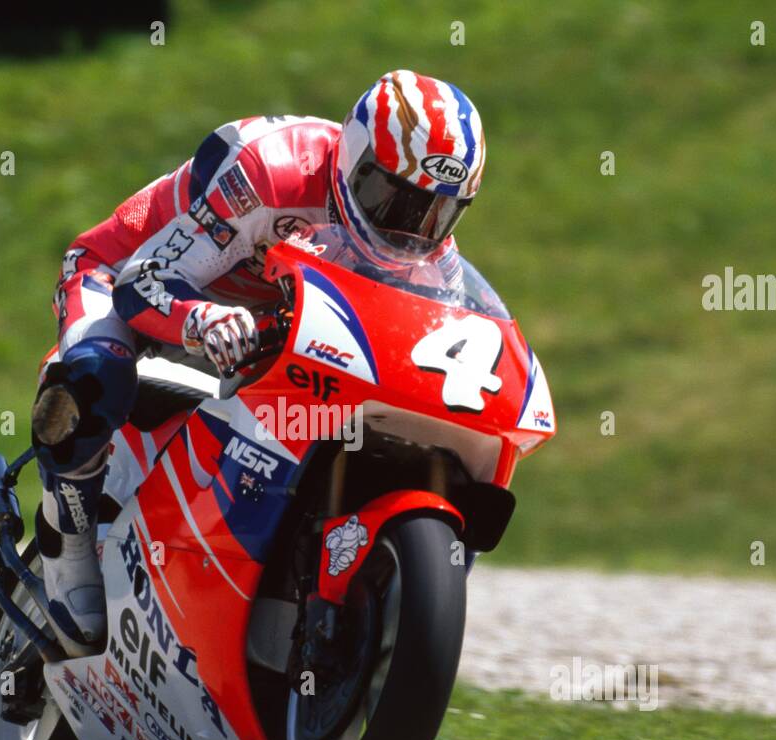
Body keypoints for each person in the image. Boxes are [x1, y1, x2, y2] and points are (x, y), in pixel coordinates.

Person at [30, 70, 486, 648]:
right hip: (134, 276)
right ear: (352, 159)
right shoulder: (272, 169)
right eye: (389, 199)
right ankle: (65, 546)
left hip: (261, 326)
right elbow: (141, 283)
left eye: (434, 212)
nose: (406, 230)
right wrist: (201, 318)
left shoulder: (432, 249)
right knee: (96, 380)